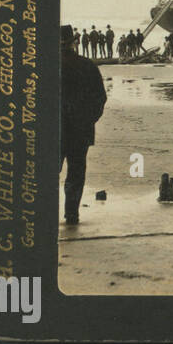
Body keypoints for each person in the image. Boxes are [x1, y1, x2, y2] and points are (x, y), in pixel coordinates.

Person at [60, 25, 107, 224]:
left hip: (52, 130)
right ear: (74, 42)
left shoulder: (44, 65)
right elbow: (100, 98)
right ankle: (72, 214)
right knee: (76, 173)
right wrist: (88, 120)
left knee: (47, 172)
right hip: (81, 130)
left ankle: (43, 216)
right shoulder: (88, 65)